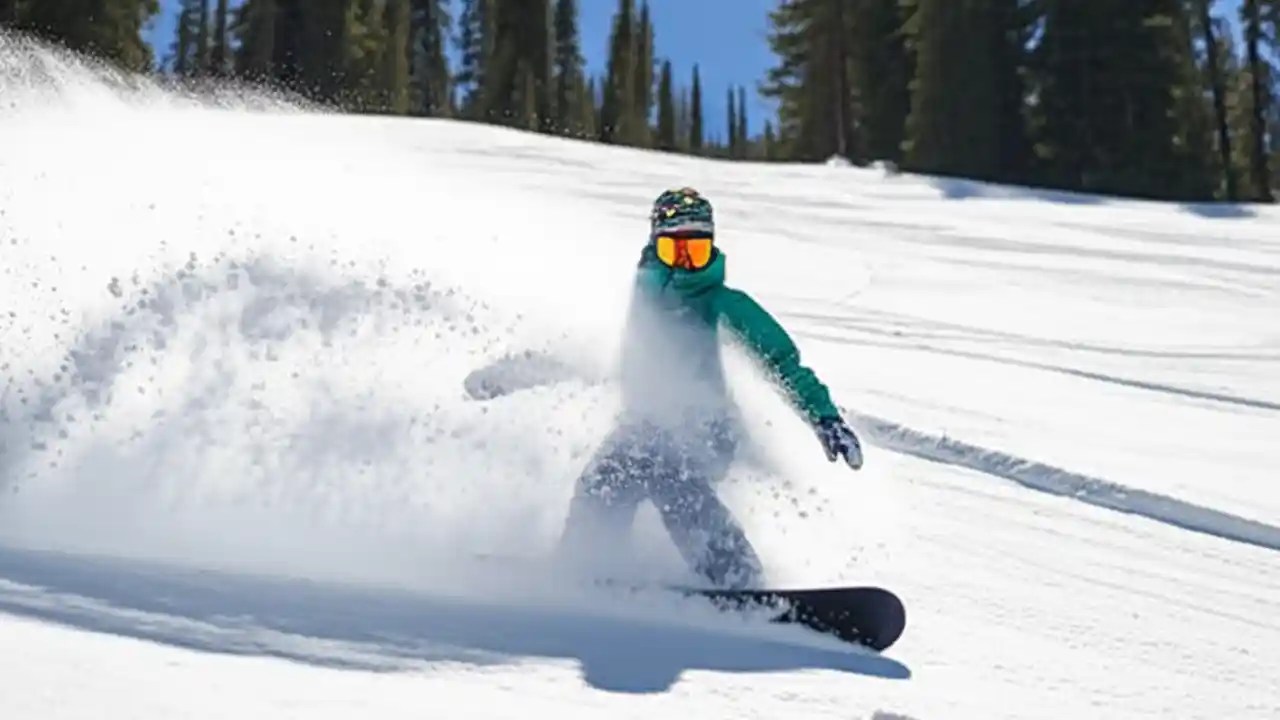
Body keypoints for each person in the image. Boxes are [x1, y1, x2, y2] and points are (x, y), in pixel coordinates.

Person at [557, 187, 864, 589]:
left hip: (708, 429)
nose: (686, 264)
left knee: (664, 468)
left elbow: (782, 361)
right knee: (607, 473)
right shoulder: (639, 301)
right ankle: (585, 562)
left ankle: (735, 575)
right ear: (655, 247)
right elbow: (588, 353)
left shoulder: (721, 303)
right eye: (675, 251)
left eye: (696, 252)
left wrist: (824, 418)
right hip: (644, 426)